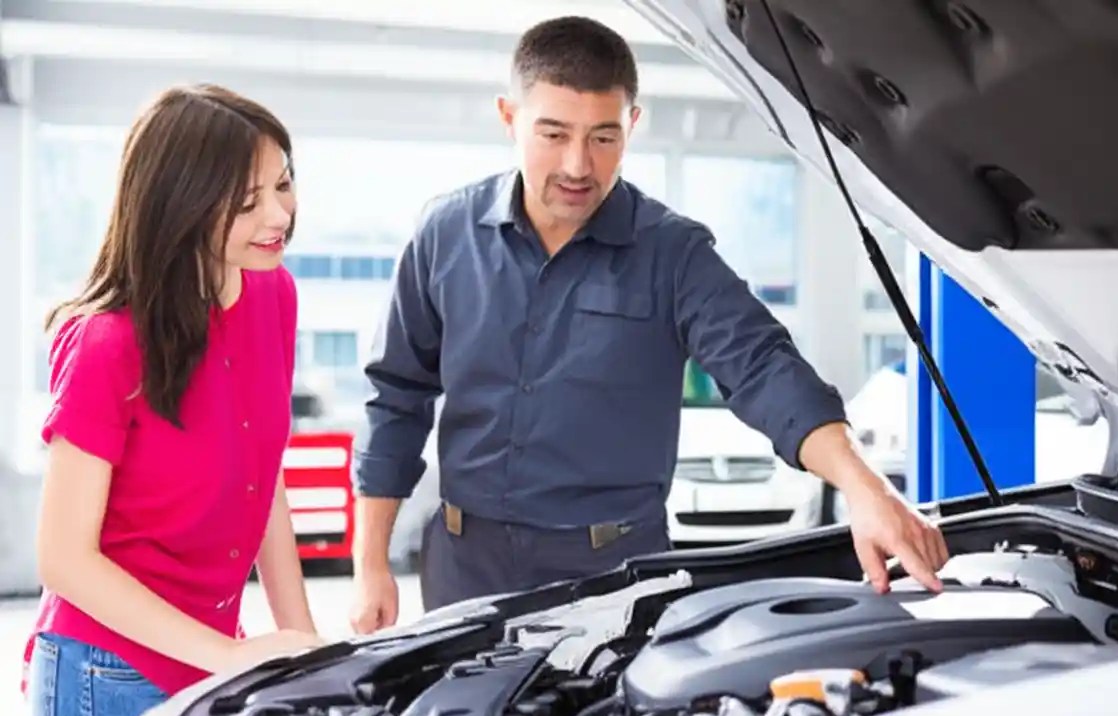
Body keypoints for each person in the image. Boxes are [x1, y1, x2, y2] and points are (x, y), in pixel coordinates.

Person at [348, 16, 948, 631]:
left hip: (611, 572)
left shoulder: (673, 254)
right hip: (464, 567)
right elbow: (396, 396)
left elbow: (764, 368)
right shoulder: (445, 234)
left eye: (604, 137)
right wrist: (370, 561)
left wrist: (865, 487)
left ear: (633, 124)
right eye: (553, 134)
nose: (579, 165)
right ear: (509, 117)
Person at [24, 84, 324, 716]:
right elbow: (63, 559)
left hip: (211, 661)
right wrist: (231, 654)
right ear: (181, 205)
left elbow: (260, 479)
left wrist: (309, 654)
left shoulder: (275, 296)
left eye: (284, 185)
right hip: (104, 672)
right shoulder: (106, 342)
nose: (279, 216)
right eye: (248, 202)